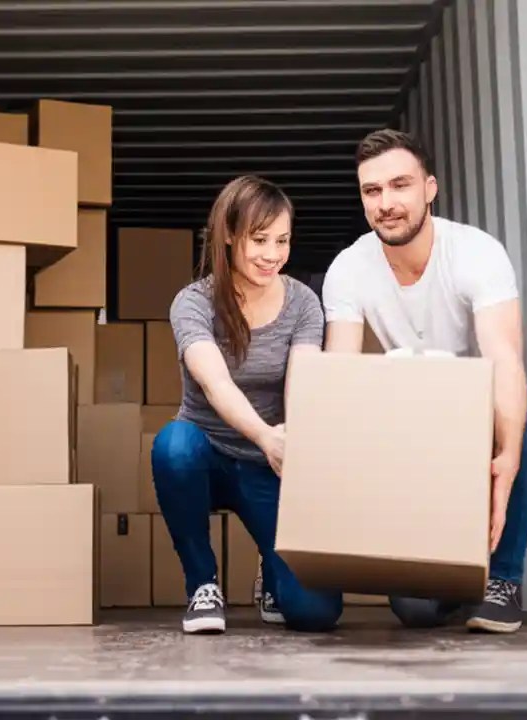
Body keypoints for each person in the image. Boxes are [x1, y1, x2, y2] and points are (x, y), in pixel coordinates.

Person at [320, 128, 527, 634]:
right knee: (416, 612)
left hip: (475, 414)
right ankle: (457, 579)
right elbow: (338, 377)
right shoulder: (348, 269)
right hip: (404, 426)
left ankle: (501, 582)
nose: (386, 203)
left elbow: (505, 361)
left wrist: (507, 459)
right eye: (371, 191)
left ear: (430, 188)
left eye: (400, 185)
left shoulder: (475, 253)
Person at [151, 175, 343, 635]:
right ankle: (202, 584)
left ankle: (272, 573)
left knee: (316, 612)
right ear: (230, 234)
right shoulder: (193, 302)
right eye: (260, 240)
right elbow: (214, 383)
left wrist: (288, 446)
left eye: (283, 240)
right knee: (173, 445)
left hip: (269, 463)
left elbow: (303, 381)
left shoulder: (303, 303)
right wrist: (264, 436)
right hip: (208, 456)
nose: (272, 254)